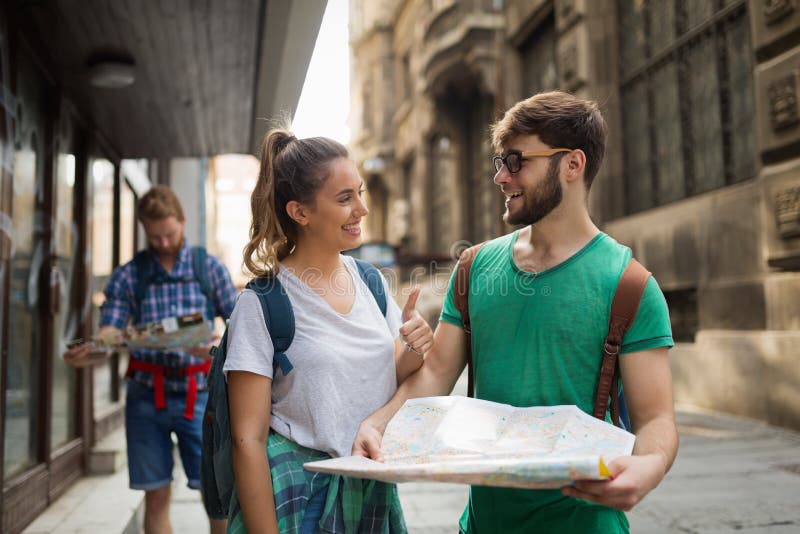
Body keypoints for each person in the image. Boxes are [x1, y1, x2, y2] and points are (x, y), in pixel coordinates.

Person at [352, 91, 678, 534]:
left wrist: (650, 467)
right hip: (483, 523)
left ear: (572, 165)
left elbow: (656, 418)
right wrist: (377, 422)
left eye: (516, 161)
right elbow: (434, 375)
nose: (501, 177)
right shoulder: (473, 269)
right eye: (499, 163)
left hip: (586, 524)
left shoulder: (630, 285)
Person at [221, 129, 432, 533]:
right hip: (299, 502)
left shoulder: (371, 282)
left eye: (360, 192)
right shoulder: (263, 303)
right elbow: (246, 441)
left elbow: (386, 375)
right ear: (300, 212)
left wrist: (412, 348)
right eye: (344, 198)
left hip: (370, 492)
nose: (362, 209)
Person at [64, 185, 238, 534]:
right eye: (154, 236)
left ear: (183, 221)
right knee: (155, 494)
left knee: (216, 495)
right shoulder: (130, 275)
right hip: (146, 396)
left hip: (201, 394)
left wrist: (215, 348)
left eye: (169, 234)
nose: (161, 243)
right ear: (144, 229)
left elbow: (241, 329)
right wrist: (92, 349)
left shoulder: (209, 269)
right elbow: (110, 333)